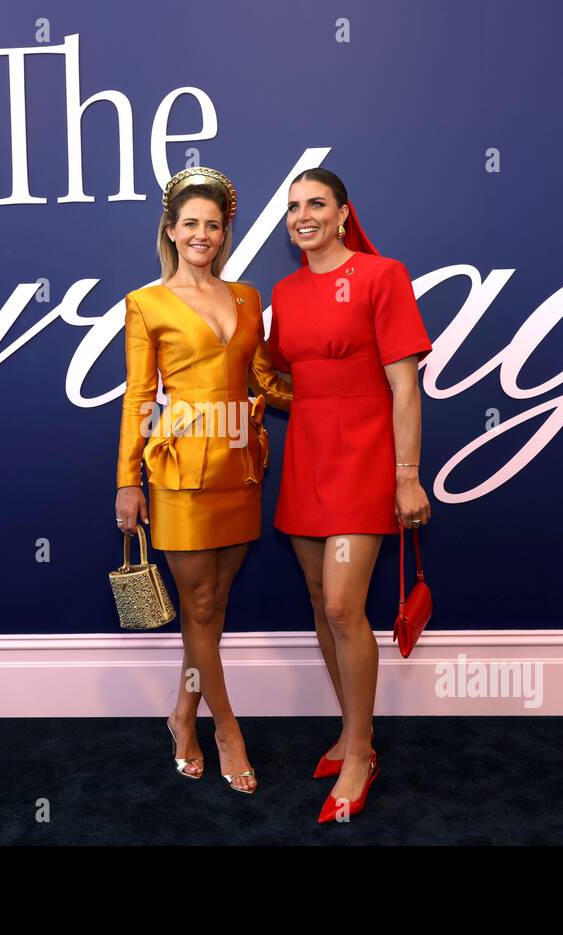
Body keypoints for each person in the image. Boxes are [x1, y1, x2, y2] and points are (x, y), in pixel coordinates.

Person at [115, 167, 293, 793]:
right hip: (179, 473)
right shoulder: (147, 302)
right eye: (190, 223)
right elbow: (140, 396)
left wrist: (335, 391)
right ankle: (227, 730)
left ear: (224, 234)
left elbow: (266, 379)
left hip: (240, 467)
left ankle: (182, 714)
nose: (201, 234)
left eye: (212, 225)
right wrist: (127, 480)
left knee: (211, 612)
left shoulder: (246, 298)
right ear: (170, 230)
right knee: (199, 605)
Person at [268, 168, 433, 822]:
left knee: (342, 603)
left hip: (366, 455)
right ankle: (347, 728)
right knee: (318, 599)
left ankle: (361, 751)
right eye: (293, 207)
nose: (302, 215)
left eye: (316, 204)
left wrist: (407, 473)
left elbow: (405, 387)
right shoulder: (284, 289)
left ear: (343, 214)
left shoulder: (382, 274)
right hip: (306, 450)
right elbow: (281, 368)